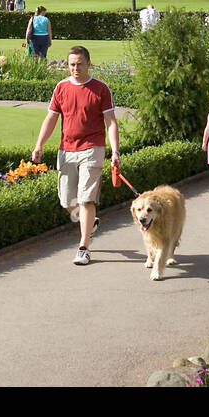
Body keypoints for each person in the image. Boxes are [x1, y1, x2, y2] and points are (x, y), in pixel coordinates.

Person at [31, 46, 119, 266]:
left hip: (92, 148)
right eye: (71, 64)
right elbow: (50, 119)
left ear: (88, 63)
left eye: (79, 64)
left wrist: (115, 150)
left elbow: (111, 122)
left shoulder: (101, 89)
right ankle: (90, 223)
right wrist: (39, 144)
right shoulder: (61, 87)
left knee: (86, 199)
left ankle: (83, 247)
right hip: (66, 149)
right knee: (67, 200)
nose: (75, 68)